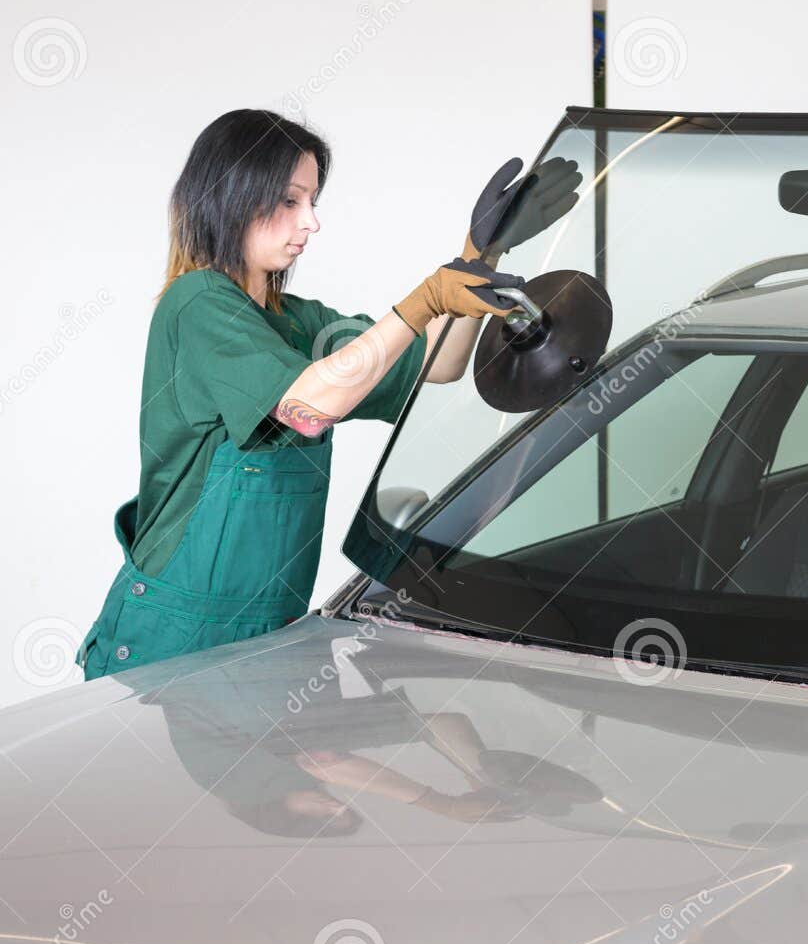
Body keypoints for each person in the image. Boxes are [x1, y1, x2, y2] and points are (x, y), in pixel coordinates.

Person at [75, 108, 578, 681]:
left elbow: (439, 362)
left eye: (312, 201)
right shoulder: (197, 304)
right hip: (173, 637)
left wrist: (479, 259)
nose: (310, 222)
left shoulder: (296, 322)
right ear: (232, 196)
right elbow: (311, 405)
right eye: (290, 200)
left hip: (268, 639)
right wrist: (425, 300)